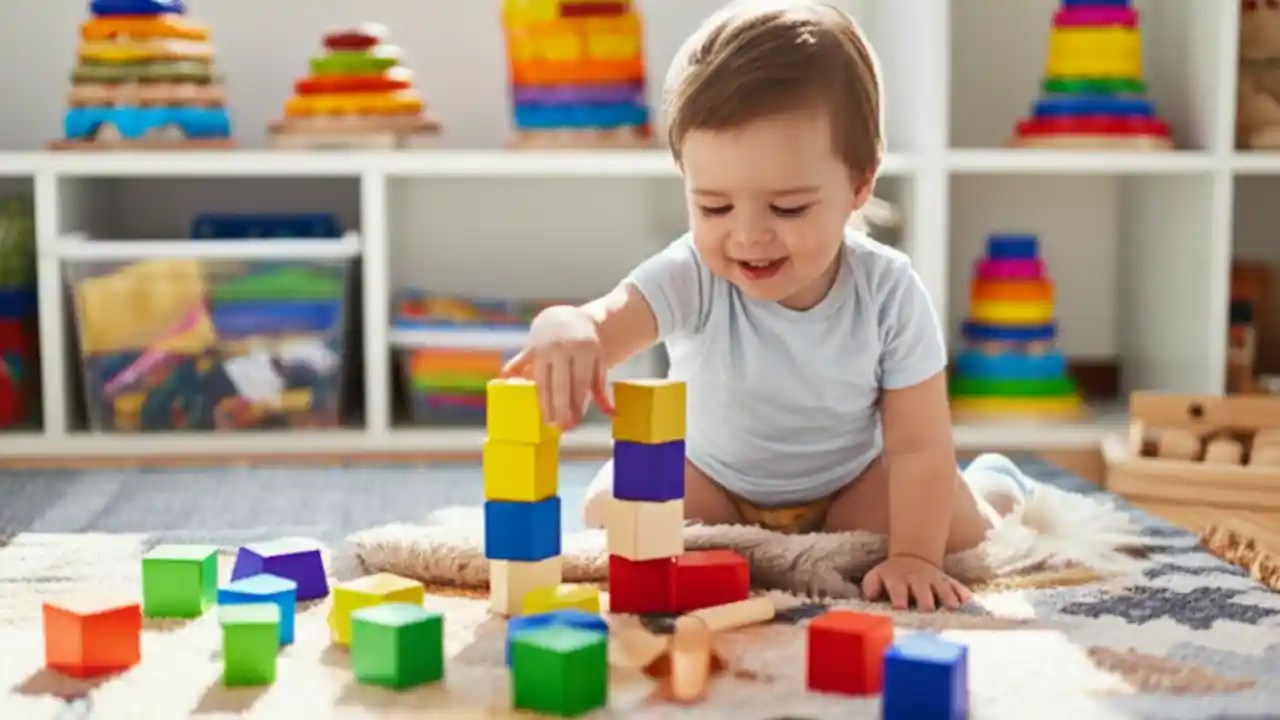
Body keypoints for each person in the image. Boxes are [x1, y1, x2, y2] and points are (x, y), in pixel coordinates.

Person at [501, 0, 1028, 612]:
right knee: (607, 509)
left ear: (861, 182)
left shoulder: (889, 290)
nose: (748, 236)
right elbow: (605, 321)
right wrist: (564, 325)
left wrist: (914, 556)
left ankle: (1002, 485)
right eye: (715, 208)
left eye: (788, 208)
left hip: (847, 489)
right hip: (714, 484)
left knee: (958, 528)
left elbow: (918, 446)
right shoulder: (690, 273)